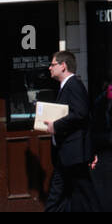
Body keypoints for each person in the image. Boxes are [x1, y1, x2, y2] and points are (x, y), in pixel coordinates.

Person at [43, 50, 97, 211]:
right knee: (67, 196)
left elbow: (81, 113)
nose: (49, 68)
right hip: (67, 155)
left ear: (63, 66)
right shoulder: (66, 86)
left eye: (52, 64)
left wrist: (56, 126)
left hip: (73, 155)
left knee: (84, 197)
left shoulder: (73, 85)